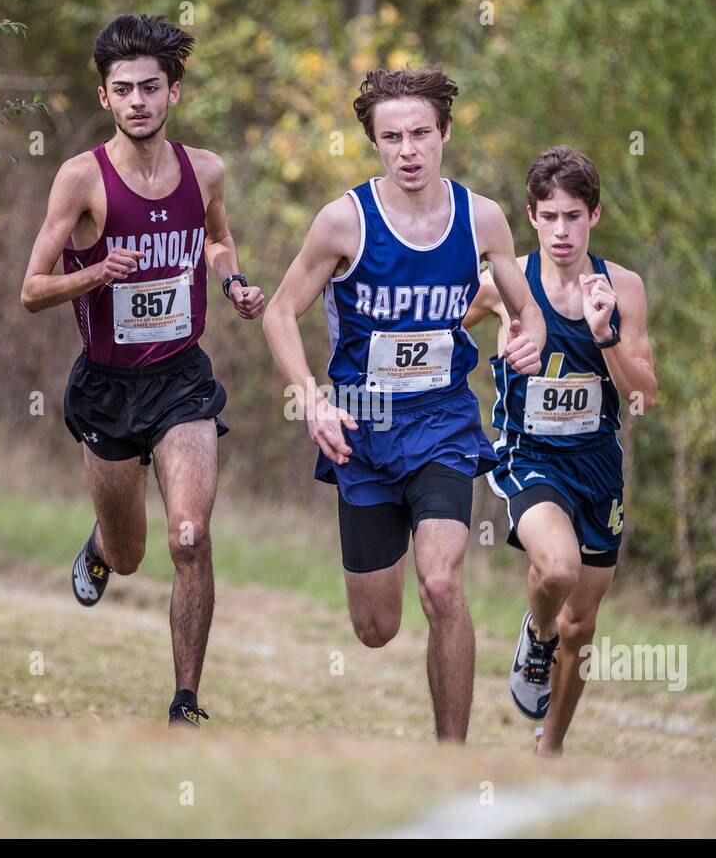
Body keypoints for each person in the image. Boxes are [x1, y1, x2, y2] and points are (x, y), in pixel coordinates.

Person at [263, 67, 544, 742]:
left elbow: (523, 304)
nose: (408, 149)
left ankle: (450, 758)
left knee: (442, 585)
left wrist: (527, 336)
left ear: (445, 132)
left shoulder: (482, 218)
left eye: (421, 133)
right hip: (361, 428)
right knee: (375, 627)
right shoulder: (343, 222)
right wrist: (311, 400)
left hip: (443, 424)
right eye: (392, 137)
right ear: (376, 143)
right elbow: (278, 311)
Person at [20, 14, 263, 729]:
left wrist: (234, 283)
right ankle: (102, 540)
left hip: (183, 379)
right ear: (104, 98)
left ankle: (185, 701)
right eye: (122, 90)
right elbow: (31, 289)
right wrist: (96, 272)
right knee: (130, 556)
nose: (137, 102)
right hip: (107, 388)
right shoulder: (80, 180)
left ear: (174, 93)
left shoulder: (206, 170)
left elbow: (217, 238)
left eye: (149, 88)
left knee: (190, 534)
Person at [463, 146, 657, 755]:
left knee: (584, 625)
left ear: (594, 215)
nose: (562, 231)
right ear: (531, 216)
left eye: (573, 216)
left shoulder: (622, 287)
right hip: (530, 458)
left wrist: (606, 336)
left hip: (599, 467)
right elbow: (438, 335)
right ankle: (536, 631)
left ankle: (551, 748)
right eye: (549, 216)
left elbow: (645, 395)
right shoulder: (502, 284)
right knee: (558, 570)